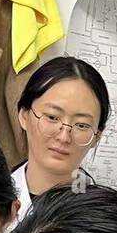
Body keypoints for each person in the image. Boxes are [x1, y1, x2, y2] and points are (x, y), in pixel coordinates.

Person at [12, 55, 109, 221]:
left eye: (82, 125)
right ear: (24, 116)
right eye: (52, 117)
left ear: (97, 136)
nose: (64, 137)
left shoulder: (109, 218)